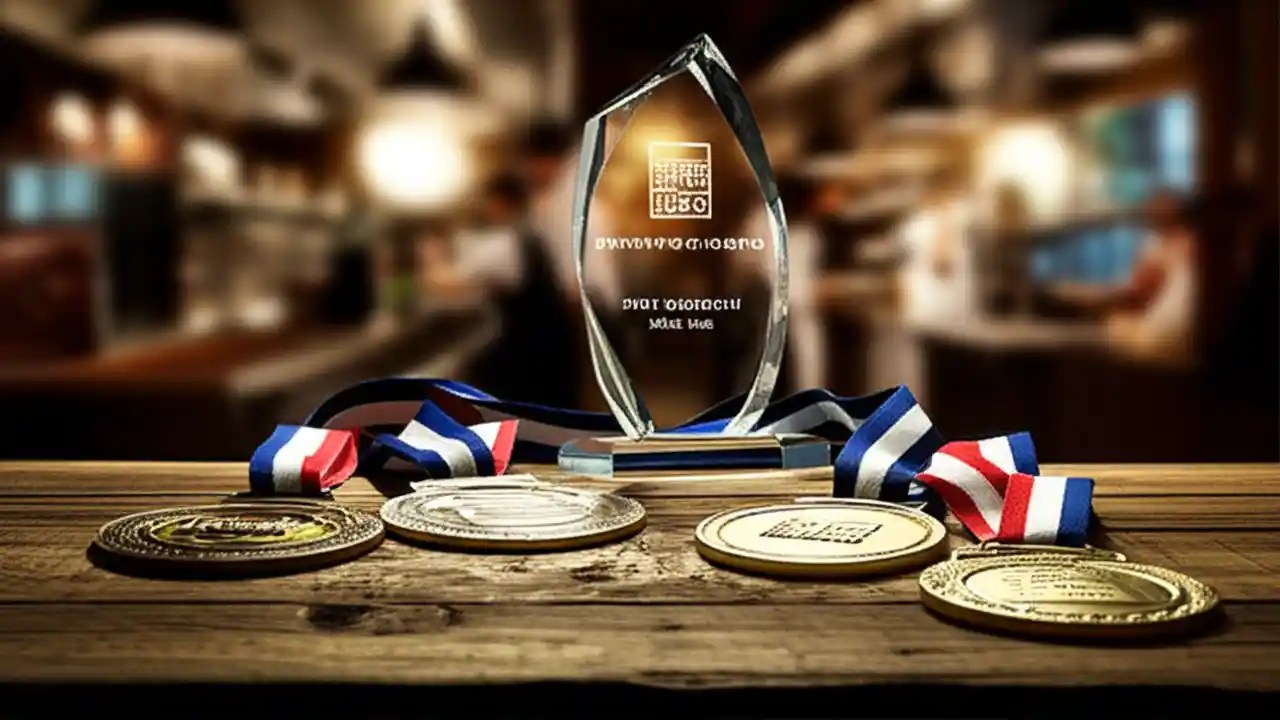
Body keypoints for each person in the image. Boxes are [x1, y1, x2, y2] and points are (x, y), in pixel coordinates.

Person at [449, 172, 580, 407]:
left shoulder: (504, 243)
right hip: (553, 343)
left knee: (475, 373)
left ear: (498, 202)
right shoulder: (533, 235)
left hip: (528, 349)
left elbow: (456, 283)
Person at [1051, 188, 1198, 360]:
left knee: (1110, 327)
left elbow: (1134, 294)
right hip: (1183, 338)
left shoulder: (1172, 246)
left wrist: (1083, 297)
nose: (1151, 211)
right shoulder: (1188, 243)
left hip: (1167, 340)